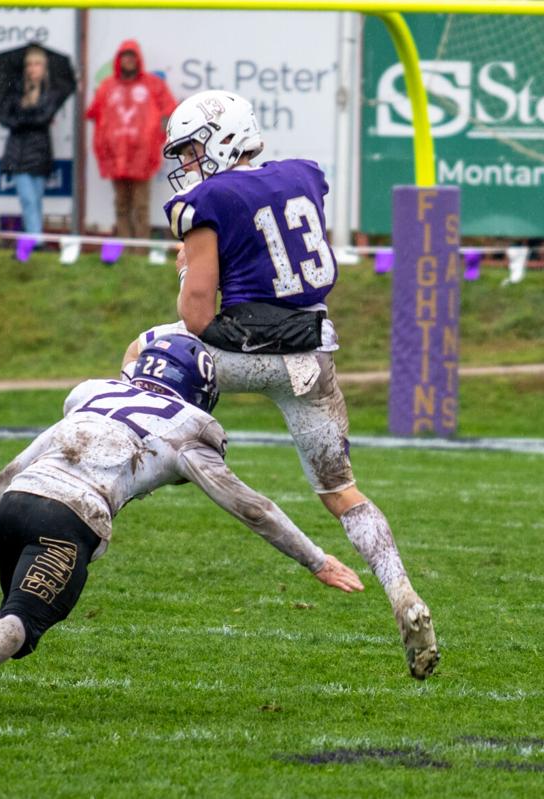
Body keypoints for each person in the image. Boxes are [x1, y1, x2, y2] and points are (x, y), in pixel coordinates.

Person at [126, 90, 439, 680]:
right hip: (312, 356)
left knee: (147, 348)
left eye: (192, 149)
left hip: (243, 353)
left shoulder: (208, 200)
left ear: (222, 138)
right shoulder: (304, 174)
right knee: (342, 493)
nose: (187, 164)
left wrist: (185, 274)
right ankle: (402, 593)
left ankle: (117, 465)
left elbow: (195, 318)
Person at [0, 333, 364, 721]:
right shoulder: (192, 428)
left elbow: (18, 463)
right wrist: (316, 560)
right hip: (70, 517)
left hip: (14, 506)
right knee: (23, 620)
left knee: (14, 608)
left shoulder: (93, 394)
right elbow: (252, 508)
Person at [85, 40, 175, 240]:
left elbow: (169, 110)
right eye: (124, 56)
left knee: (141, 205)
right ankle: (126, 248)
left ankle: (140, 248)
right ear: (119, 60)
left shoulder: (153, 84)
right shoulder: (108, 86)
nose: (128, 61)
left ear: (138, 59)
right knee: (122, 204)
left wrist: (156, 135)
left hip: (143, 155)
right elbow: (93, 112)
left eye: (132, 56)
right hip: (116, 155)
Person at [0, 46, 63, 239]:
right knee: (27, 199)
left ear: (44, 68)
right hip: (17, 153)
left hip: (39, 153)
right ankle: (35, 240)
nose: (33, 68)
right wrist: (25, 111)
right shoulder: (15, 91)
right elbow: (6, 118)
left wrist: (24, 115)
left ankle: (33, 237)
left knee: (36, 200)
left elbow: (43, 118)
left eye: (37, 64)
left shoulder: (51, 93)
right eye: (29, 64)